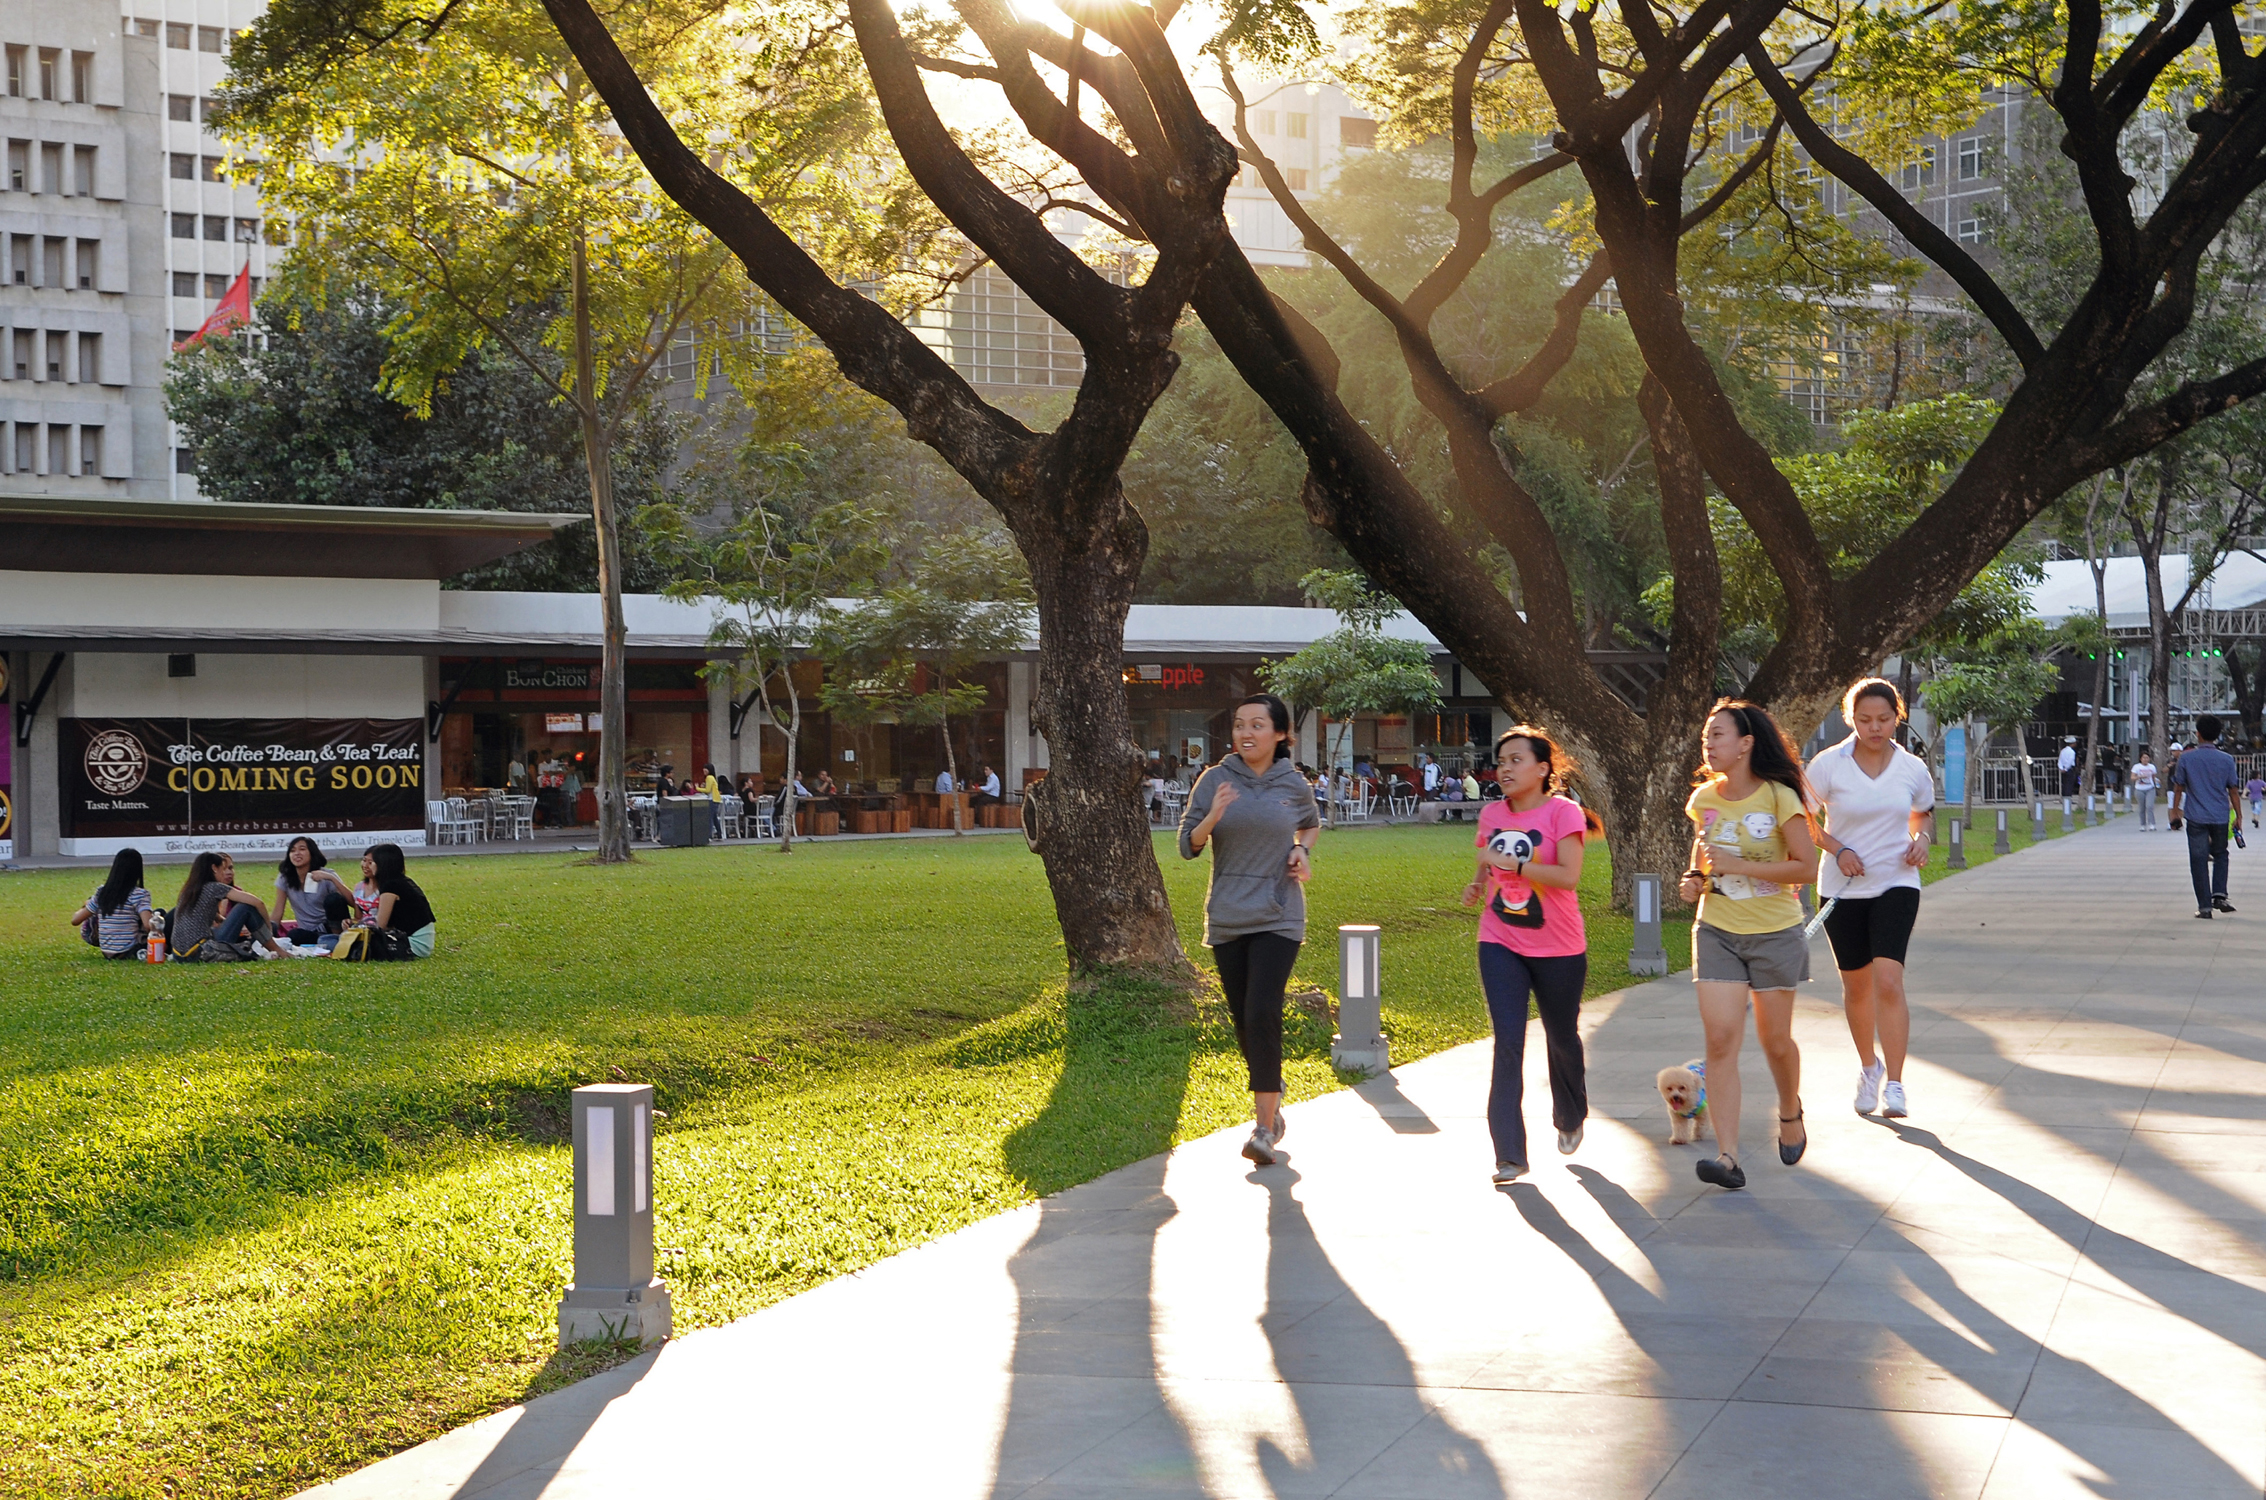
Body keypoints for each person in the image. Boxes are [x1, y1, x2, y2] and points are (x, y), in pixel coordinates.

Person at [1679, 699, 1820, 1190]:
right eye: (1706, 736)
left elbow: (1806, 867)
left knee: (1774, 1041)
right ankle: (1728, 1156)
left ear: (1745, 744)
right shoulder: (1703, 798)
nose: (1709, 743)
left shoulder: (1780, 796)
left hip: (1775, 932)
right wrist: (1694, 877)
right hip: (1716, 928)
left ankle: (1789, 1109)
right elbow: (1704, 845)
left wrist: (1743, 867)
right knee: (1720, 1040)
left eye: (1717, 735)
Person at [1179, 693, 1321, 1168]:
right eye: (1240, 724)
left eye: (1258, 725)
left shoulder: (1292, 783)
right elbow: (1188, 844)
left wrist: (1302, 850)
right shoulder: (1215, 778)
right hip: (1228, 915)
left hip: (1280, 913)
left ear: (1280, 733)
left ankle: (1263, 1127)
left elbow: (1310, 824)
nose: (1246, 733)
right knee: (1243, 1019)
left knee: (1262, 1010)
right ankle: (1273, 1095)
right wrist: (1214, 815)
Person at [1460, 726, 1598, 1184]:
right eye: (1501, 761)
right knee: (1508, 1043)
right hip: (1500, 941)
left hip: (1559, 946)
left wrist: (1517, 866)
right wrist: (1479, 881)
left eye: (1516, 760)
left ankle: (1570, 1113)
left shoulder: (1564, 813)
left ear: (1543, 769)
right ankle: (1509, 1155)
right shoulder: (1492, 813)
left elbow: (1567, 877)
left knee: (1562, 1036)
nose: (1505, 768)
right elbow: (1485, 855)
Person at [1807, 679, 1934, 1120]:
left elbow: (1923, 815)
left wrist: (1922, 840)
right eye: (1864, 720)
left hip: (1897, 882)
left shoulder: (1912, 768)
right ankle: (1869, 1067)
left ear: (1896, 717)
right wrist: (1837, 849)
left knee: (1888, 981)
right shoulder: (1828, 765)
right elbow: (1802, 820)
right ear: (1850, 719)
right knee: (1856, 986)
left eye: (1883, 719)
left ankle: (1896, 1083)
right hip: (1842, 887)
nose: (1874, 727)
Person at [2169, 715, 2243, 917]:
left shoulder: (2186, 758)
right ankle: (2219, 894)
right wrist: (2239, 816)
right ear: (2218, 735)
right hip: (2220, 816)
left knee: (2198, 859)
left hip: (2196, 817)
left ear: (2198, 734)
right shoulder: (2226, 759)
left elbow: (2178, 787)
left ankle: (2204, 907)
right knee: (2221, 854)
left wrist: (2175, 811)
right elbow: (2233, 790)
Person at [172, 852, 292, 960]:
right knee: (246, 908)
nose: (225, 873)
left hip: (179, 955)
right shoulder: (214, 887)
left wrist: (233, 924)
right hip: (201, 951)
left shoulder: (188, 892)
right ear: (214, 868)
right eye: (223, 869)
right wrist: (269, 928)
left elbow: (213, 916)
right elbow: (257, 902)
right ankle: (276, 949)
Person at [358, 843, 439, 957]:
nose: (367, 866)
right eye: (365, 861)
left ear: (383, 864)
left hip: (413, 944)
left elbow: (380, 926)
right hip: (421, 941)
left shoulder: (391, 886)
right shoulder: (401, 881)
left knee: (358, 945)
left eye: (371, 862)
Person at [71, 848, 153, 959]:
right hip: (129, 950)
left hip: (107, 952)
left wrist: (87, 904)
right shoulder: (138, 894)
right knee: (159, 914)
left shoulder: (102, 893)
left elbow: (75, 920)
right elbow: (148, 925)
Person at [274, 836, 351, 953]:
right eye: (292, 850)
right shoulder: (285, 878)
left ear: (312, 853)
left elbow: (352, 902)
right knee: (293, 935)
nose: (297, 854)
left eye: (302, 849)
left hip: (331, 926)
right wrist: (268, 935)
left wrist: (332, 879)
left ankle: (336, 940)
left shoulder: (326, 875)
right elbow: (278, 911)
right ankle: (326, 943)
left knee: (334, 899)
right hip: (309, 932)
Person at [2132, 749, 2160, 830]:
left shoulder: (2152, 767)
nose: (2145, 759)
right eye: (2144, 758)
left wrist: (2157, 782)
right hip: (2139, 789)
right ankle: (2143, 824)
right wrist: (2139, 777)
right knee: (2141, 808)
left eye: (2147, 758)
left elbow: (2153, 777)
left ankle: (2152, 823)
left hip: (2150, 788)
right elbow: (2132, 777)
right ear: (2140, 759)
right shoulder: (2136, 767)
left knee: (2149, 806)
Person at [701, 762, 724, 838]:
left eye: (706, 768)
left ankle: (709, 835)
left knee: (710, 817)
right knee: (714, 817)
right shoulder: (712, 778)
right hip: (716, 799)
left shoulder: (709, 778)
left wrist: (698, 788)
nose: (704, 770)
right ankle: (719, 834)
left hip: (712, 799)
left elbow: (707, 790)